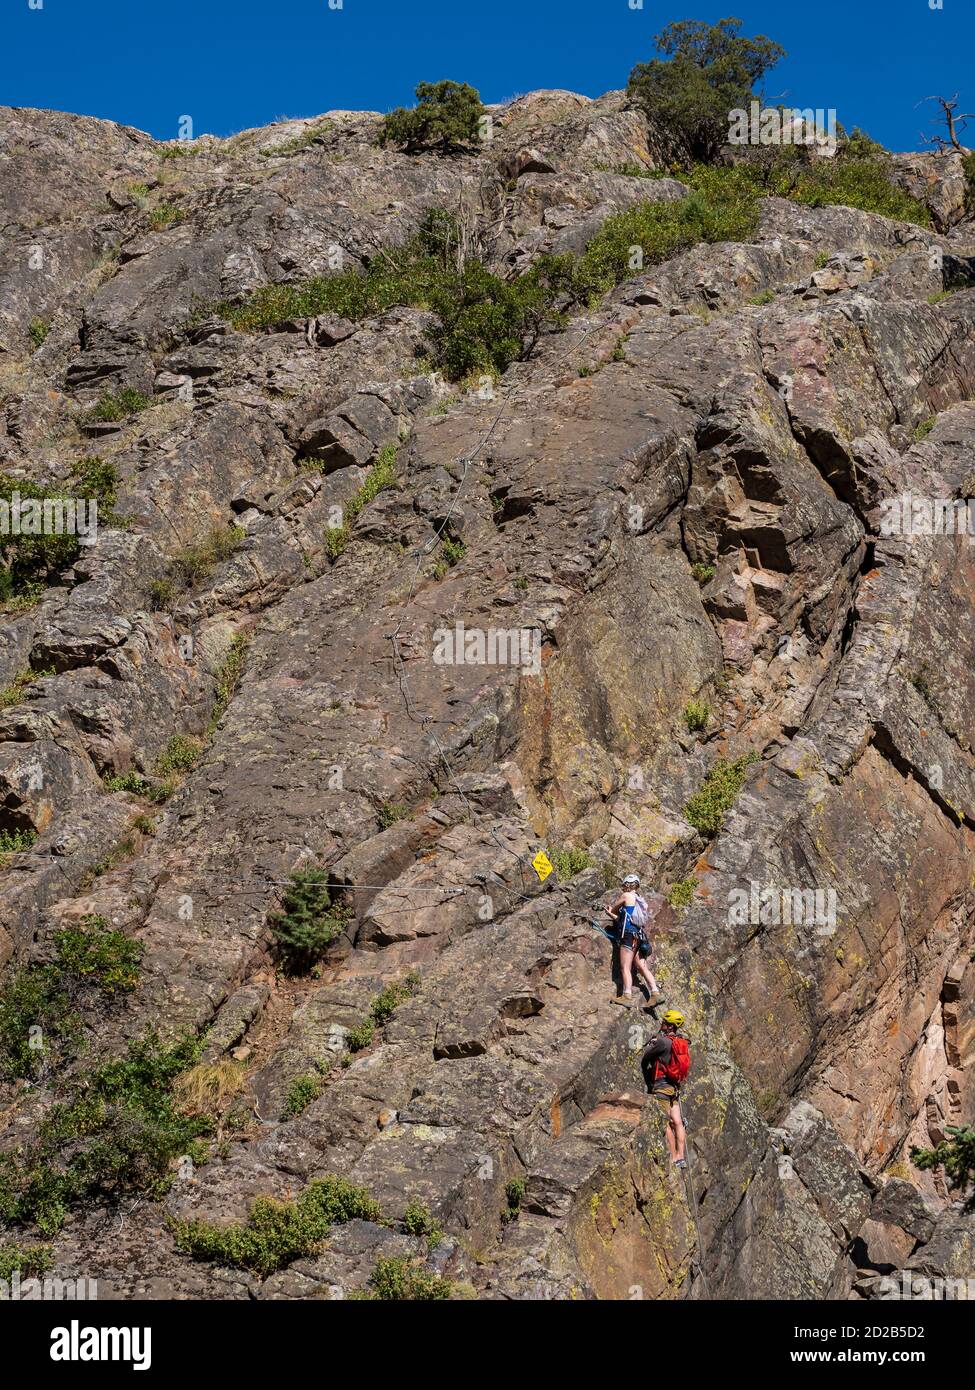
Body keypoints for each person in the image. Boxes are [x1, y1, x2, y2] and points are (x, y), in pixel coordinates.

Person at [604, 873, 665, 1007]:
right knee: (641, 967)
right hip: (639, 935)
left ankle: (627, 995)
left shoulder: (626, 896)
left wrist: (609, 912)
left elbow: (614, 910)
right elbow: (624, 919)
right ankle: (655, 993)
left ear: (626, 885)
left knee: (625, 966)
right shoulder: (639, 900)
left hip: (628, 936)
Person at [643, 1009, 690, 1169]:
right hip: (675, 1087)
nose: (661, 1024)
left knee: (666, 1122)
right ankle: (681, 1156)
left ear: (670, 1026)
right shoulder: (682, 1041)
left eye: (664, 1022)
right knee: (678, 1121)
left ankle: (673, 1157)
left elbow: (646, 1057)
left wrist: (652, 1044)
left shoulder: (663, 1042)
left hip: (662, 1087)